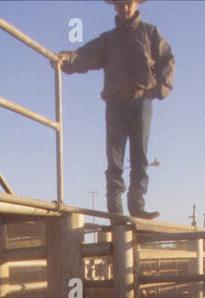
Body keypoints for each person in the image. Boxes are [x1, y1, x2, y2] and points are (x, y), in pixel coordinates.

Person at [54, 0, 174, 220]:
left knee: (140, 156)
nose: (124, 8)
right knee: (115, 157)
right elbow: (84, 56)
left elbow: (167, 59)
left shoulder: (150, 33)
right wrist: (65, 59)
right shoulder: (108, 40)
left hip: (141, 101)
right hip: (115, 104)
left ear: (136, 4)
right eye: (119, 4)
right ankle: (115, 208)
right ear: (114, 7)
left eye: (128, 3)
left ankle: (137, 205)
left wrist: (159, 88)